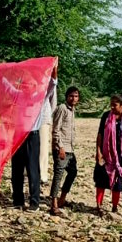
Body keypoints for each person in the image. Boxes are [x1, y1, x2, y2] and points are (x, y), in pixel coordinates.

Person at [12, 64, 57, 211]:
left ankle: (34, 202)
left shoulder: (40, 98)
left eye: (30, 84)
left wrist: (54, 70)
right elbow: (6, 86)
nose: (27, 86)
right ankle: (18, 201)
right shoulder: (17, 96)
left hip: (32, 135)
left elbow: (52, 84)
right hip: (18, 135)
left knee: (33, 169)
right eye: (25, 84)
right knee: (17, 170)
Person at [94, 94, 122, 215]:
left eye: (115, 105)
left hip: (120, 155)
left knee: (117, 182)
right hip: (106, 153)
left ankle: (114, 206)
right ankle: (99, 205)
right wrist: (98, 151)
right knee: (100, 181)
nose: (112, 107)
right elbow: (100, 134)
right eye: (111, 104)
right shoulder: (106, 116)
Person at [49, 86, 80, 216]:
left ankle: (62, 198)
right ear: (67, 96)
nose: (74, 98)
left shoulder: (72, 110)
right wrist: (60, 147)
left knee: (72, 173)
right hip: (62, 148)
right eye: (71, 96)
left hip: (70, 149)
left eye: (76, 96)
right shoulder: (62, 108)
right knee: (58, 175)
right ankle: (54, 204)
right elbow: (56, 129)